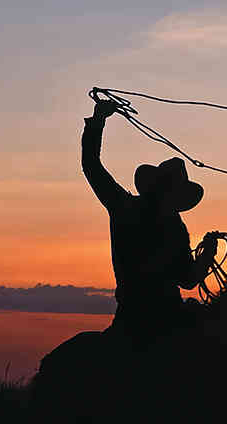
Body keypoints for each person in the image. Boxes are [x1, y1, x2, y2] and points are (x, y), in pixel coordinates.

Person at [82, 99, 218, 352]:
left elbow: (91, 165)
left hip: (134, 316)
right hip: (158, 319)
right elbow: (188, 279)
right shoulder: (167, 224)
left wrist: (98, 120)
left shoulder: (125, 207)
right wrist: (208, 255)